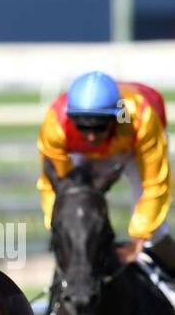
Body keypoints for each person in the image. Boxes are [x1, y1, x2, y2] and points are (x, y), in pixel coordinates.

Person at [37, 70, 175, 273]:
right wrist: (58, 226)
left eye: (99, 126)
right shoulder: (55, 125)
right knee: (73, 216)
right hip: (81, 151)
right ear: (72, 118)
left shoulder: (141, 118)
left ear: (117, 116)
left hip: (133, 149)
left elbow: (155, 183)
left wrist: (138, 238)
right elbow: (53, 186)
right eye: (82, 126)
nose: (91, 137)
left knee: (155, 232)